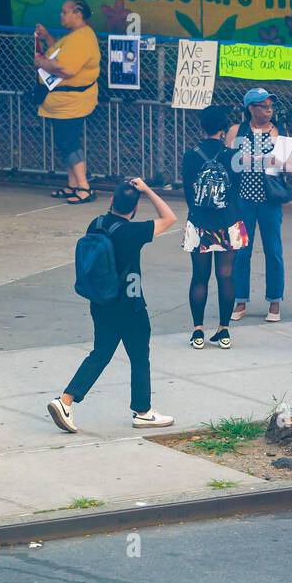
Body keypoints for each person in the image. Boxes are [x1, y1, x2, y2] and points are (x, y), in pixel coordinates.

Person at [47, 177, 176, 433]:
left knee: (101, 353)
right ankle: (143, 411)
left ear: (111, 201)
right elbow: (169, 217)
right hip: (130, 305)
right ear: (135, 208)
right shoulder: (132, 232)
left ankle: (66, 400)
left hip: (101, 301)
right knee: (139, 358)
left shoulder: (96, 224)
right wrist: (148, 190)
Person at [181, 105, 246, 349]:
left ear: (202, 127)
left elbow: (188, 191)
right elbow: (236, 191)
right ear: (224, 129)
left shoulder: (190, 155)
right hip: (228, 221)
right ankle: (224, 330)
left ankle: (198, 331)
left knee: (199, 276)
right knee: (226, 275)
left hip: (199, 222)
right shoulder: (233, 156)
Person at [227, 87, 290, 323]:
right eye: (264, 106)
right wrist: (262, 160)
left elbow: (286, 163)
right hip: (243, 199)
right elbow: (231, 162)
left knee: (273, 250)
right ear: (251, 108)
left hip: (270, 200)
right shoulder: (237, 131)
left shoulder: (279, 131)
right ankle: (240, 300)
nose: (269, 110)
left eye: (271, 106)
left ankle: (275, 301)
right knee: (242, 251)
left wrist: (251, 160)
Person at [34, 0, 99, 204]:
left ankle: (83, 187)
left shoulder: (82, 38)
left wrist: (41, 63)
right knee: (67, 142)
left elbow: (67, 69)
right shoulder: (76, 37)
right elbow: (62, 56)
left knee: (68, 142)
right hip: (64, 101)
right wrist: (47, 38)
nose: (61, 16)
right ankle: (73, 185)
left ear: (77, 14)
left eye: (64, 12)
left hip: (70, 103)